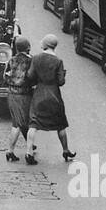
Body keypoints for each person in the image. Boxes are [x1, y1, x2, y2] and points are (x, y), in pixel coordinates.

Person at [24, 34, 74, 165]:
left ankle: (29, 152)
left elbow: (30, 76)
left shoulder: (36, 58)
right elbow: (61, 82)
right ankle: (65, 150)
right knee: (61, 125)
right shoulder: (58, 61)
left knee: (33, 124)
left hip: (39, 94)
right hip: (54, 96)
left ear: (45, 44)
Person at [4, 35, 33, 163]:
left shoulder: (11, 60)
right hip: (24, 95)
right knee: (19, 124)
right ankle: (10, 151)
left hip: (11, 94)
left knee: (17, 121)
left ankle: (27, 147)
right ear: (28, 48)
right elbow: (32, 77)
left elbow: (5, 76)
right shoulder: (30, 61)